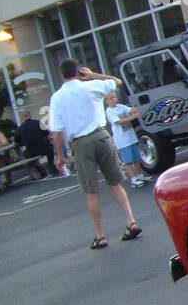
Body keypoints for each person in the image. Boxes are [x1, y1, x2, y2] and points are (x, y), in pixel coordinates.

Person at [48, 58, 141, 250]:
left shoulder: (57, 98)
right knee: (115, 182)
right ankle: (131, 221)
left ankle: (100, 235)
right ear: (79, 72)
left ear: (62, 74)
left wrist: (59, 155)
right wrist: (93, 75)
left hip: (80, 143)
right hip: (101, 136)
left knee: (90, 190)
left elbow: (57, 131)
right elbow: (116, 81)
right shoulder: (91, 86)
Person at [105, 92, 146, 188]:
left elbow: (131, 110)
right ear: (106, 101)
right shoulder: (109, 111)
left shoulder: (120, 106)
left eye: (114, 97)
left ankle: (139, 175)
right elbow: (119, 121)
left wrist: (135, 110)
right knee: (128, 161)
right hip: (122, 140)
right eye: (110, 98)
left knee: (136, 158)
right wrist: (132, 117)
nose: (113, 99)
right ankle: (133, 179)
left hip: (131, 137)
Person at [15, 111, 55, 178]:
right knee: (50, 149)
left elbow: (16, 142)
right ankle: (51, 168)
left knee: (26, 156)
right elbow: (48, 136)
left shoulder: (20, 128)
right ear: (30, 115)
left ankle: (41, 170)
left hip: (31, 152)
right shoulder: (37, 122)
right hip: (44, 149)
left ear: (22, 118)